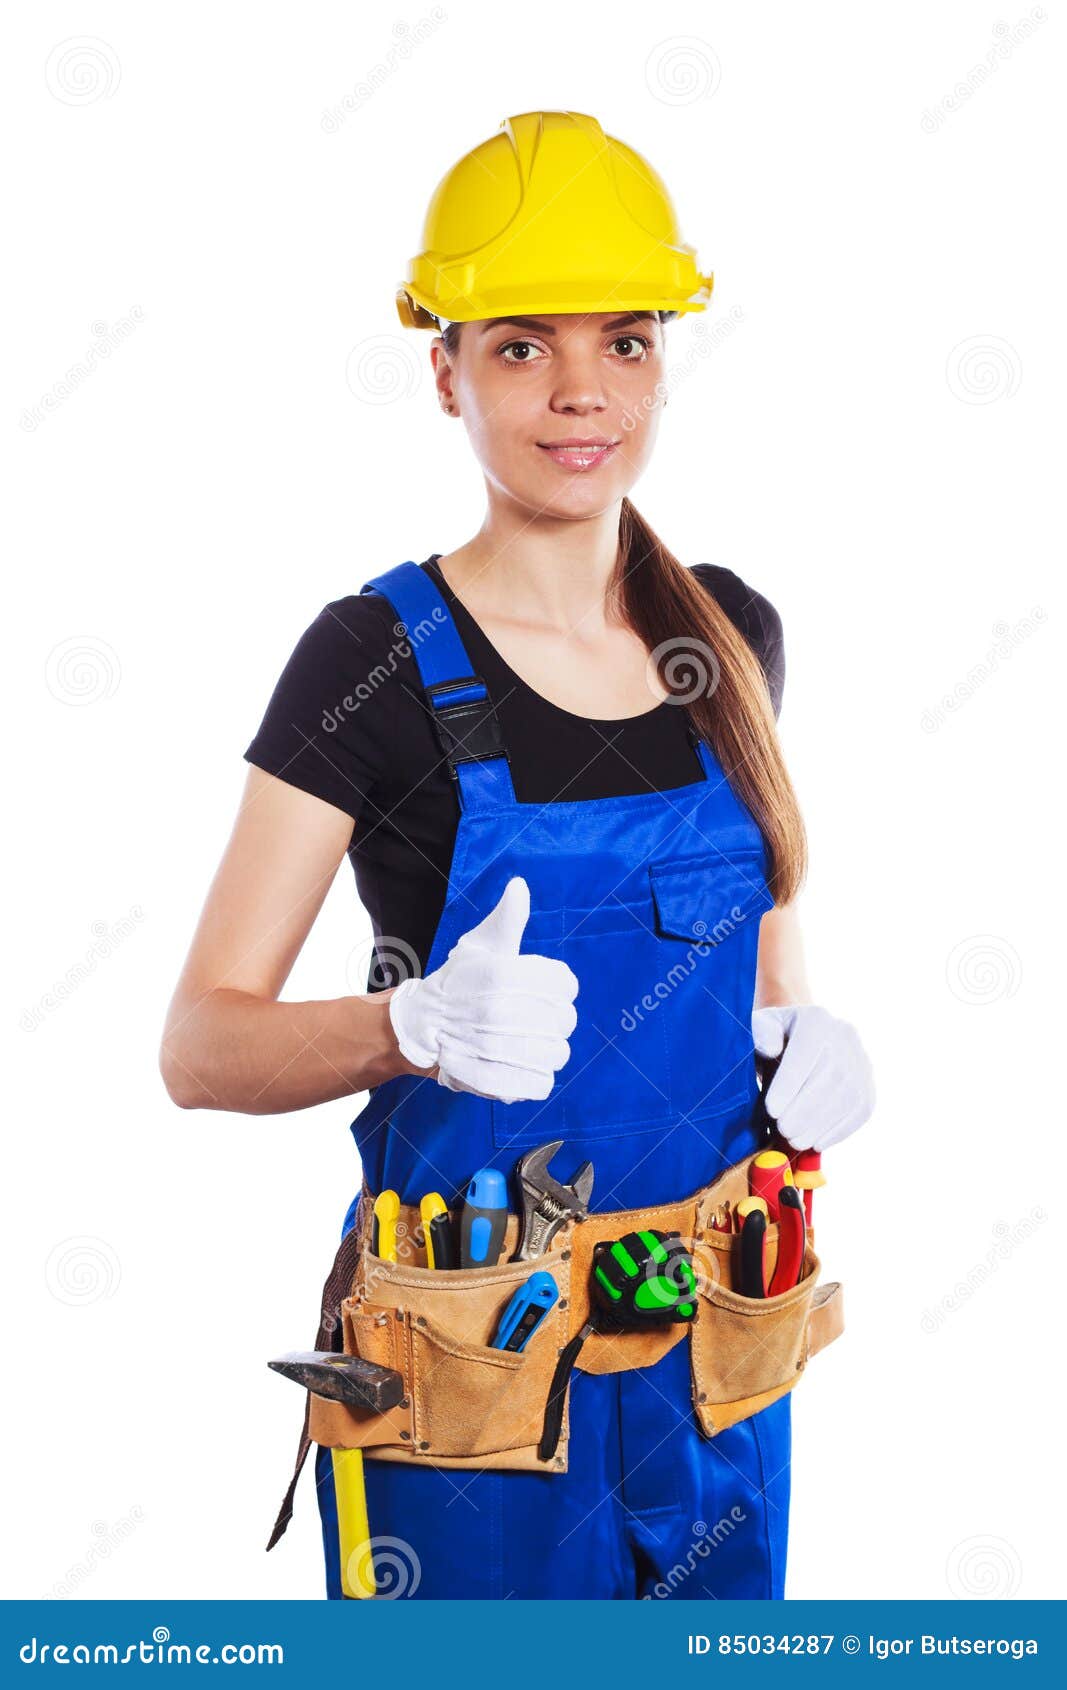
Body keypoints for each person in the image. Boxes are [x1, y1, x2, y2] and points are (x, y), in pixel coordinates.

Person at [160, 111, 874, 1601]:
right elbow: (200, 1045)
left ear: (668, 357)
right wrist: (404, 1027)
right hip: (469, 1393)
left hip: (712, 1366)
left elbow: (765, 964)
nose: (580, 392)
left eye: (624, 339)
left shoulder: (728, 635)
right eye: (519, 345)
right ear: (445, 370)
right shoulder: (370, 661)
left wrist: (804, 1040)